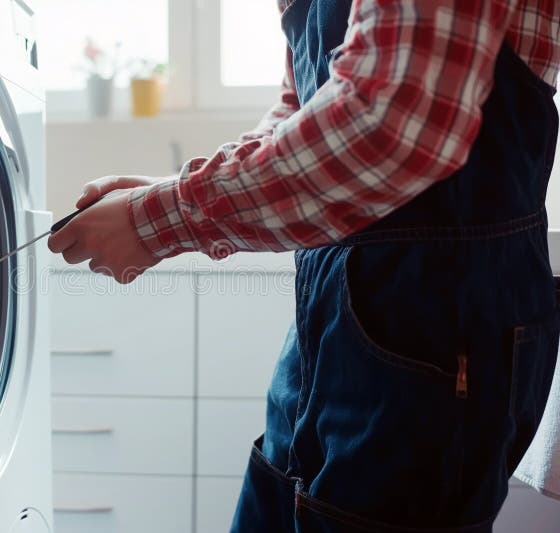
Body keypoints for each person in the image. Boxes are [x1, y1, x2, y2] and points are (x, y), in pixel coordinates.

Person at [47, 0, 560, 530]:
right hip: (333, 313)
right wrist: (167, 192)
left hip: (442, 323)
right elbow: (301, 109)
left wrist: (160, 218)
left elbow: (392, 124)